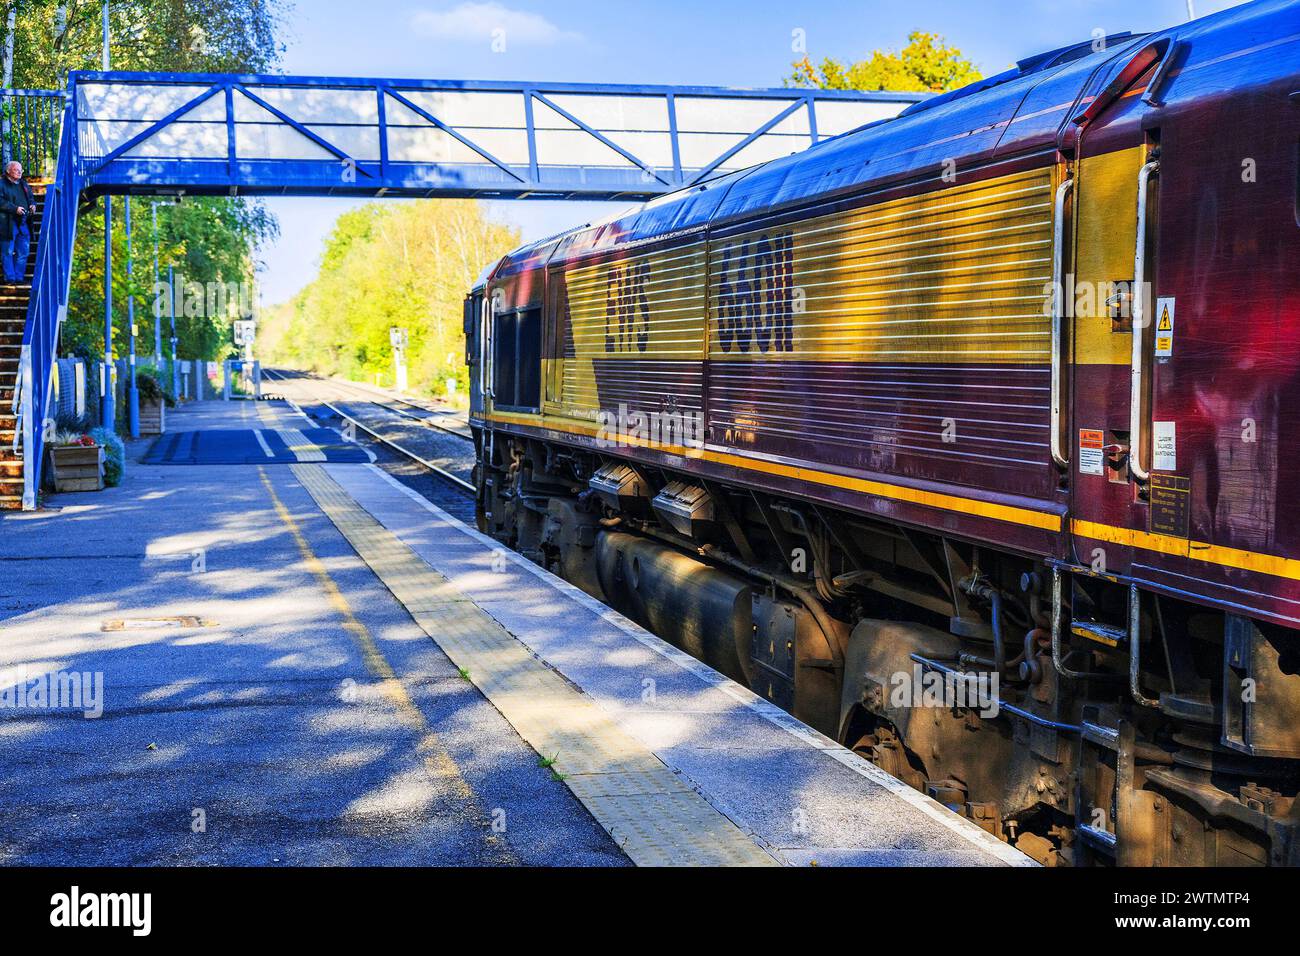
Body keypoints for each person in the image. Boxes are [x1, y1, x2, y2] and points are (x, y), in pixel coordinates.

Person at [0, 161, 35, 285]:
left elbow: (30, 197)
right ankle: (10, 278)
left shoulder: (23, 184)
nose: (20, 172)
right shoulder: (1, 184)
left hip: (23, 222)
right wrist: (15, 209)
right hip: (7, 224)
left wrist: (32, 205)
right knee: (7, 251)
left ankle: (19, 277)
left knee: (23, 251)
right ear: (8, 171)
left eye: (21, 170)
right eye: (16, 170)